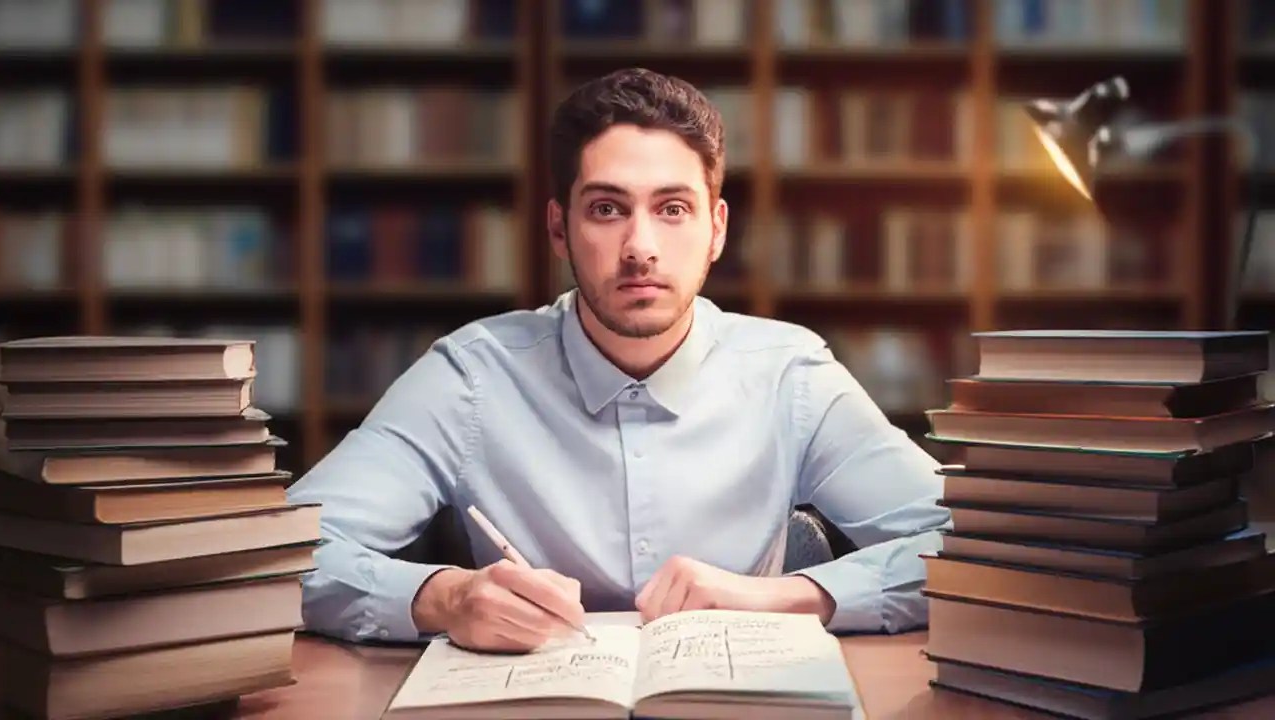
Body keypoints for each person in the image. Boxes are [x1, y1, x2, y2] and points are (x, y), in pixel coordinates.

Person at [286, 67, 949, 653]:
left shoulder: (790, 376)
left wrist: (788, 596)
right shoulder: (470, 378)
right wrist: (444, 598)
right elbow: (284, 558)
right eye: (607, 209)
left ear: (716, 229)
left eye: (673, 209)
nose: (641, 246)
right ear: (557, 229)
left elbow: (966, 546)